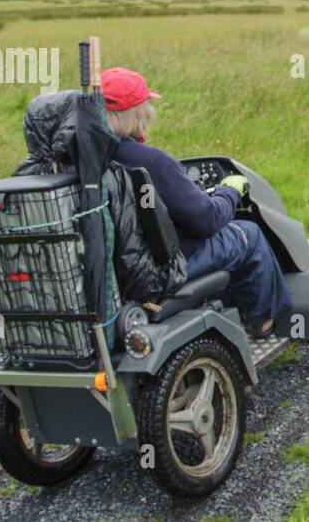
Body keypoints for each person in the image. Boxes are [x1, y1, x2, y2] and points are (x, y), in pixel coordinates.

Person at [101, 67, 291, 335]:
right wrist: (229, 191)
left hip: (113, 274)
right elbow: (208, 221)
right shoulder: (151, 163)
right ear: (136, 113)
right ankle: (262, 322)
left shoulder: (77, 162)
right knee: (247, 234)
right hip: (156, 271)